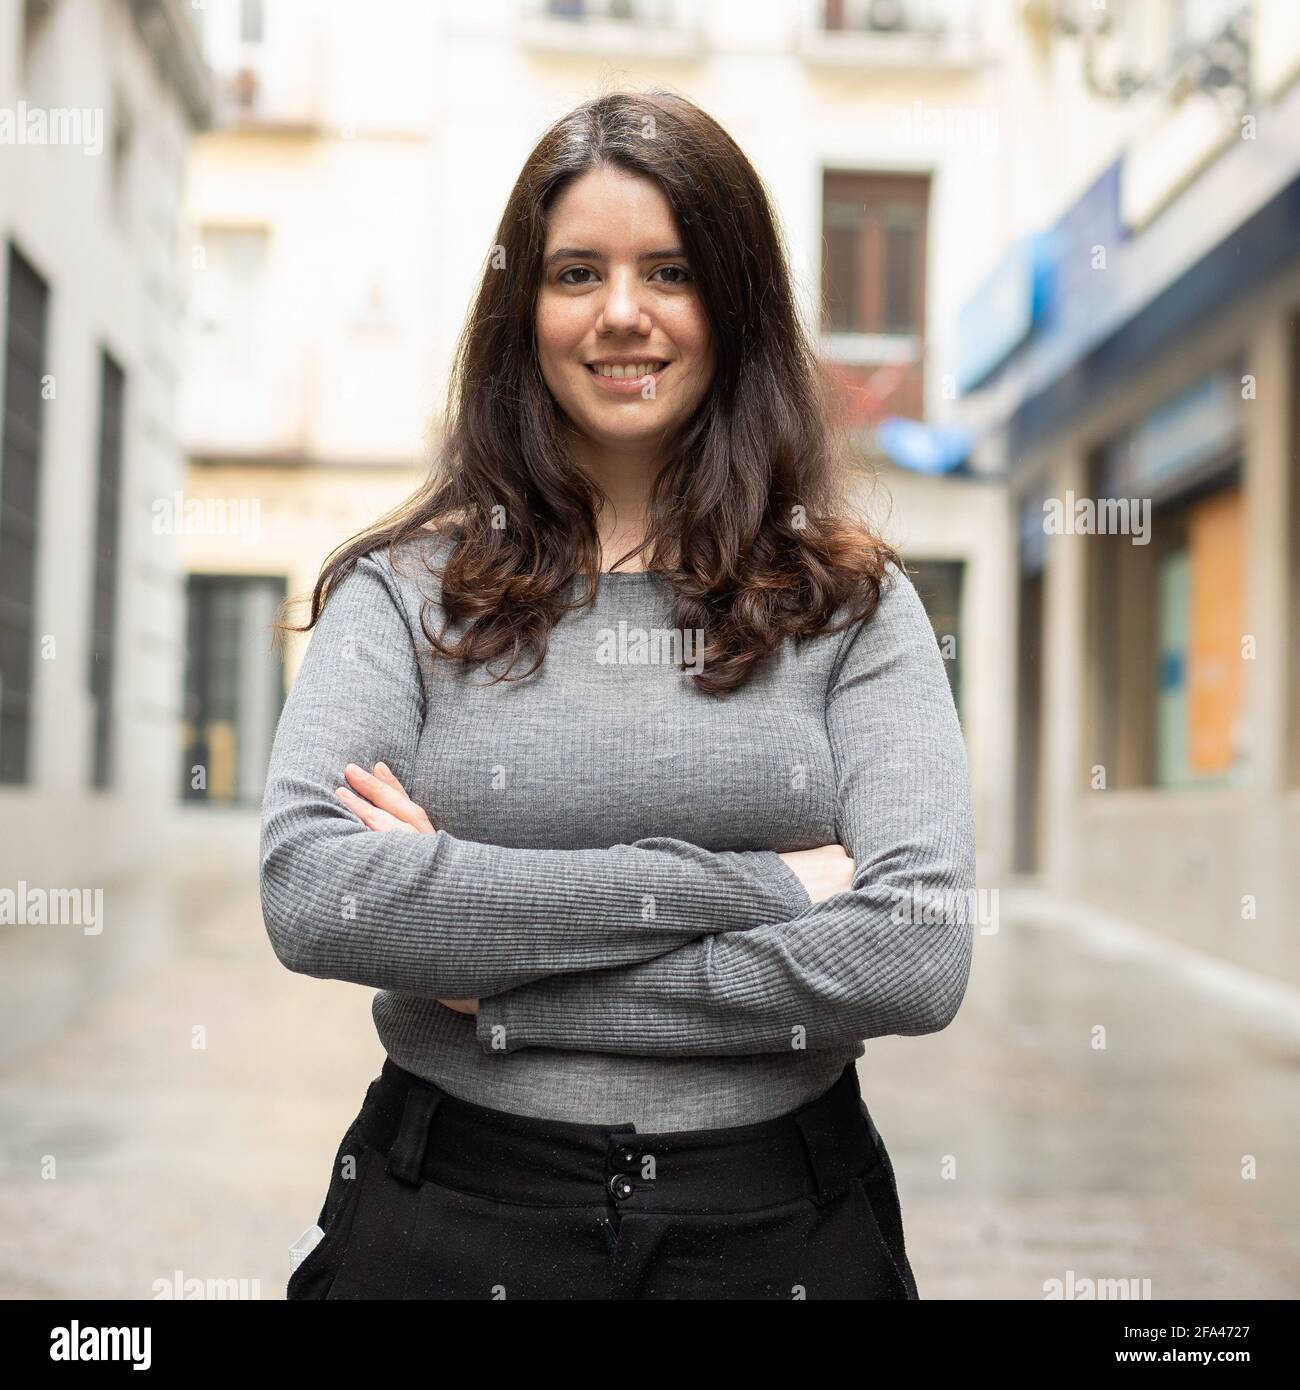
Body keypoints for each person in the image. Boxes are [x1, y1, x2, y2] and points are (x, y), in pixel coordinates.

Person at [259, 89, 976, 1300]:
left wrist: (495, 973)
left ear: (734, 304)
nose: (623, 315)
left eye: (671, 271)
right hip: (451, 1218)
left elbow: (913, 952)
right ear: (521, 309)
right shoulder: (405, 592)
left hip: (779, 1228)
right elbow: (315, 894)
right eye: (577, 272)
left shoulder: (852, 606)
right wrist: (761, 886)